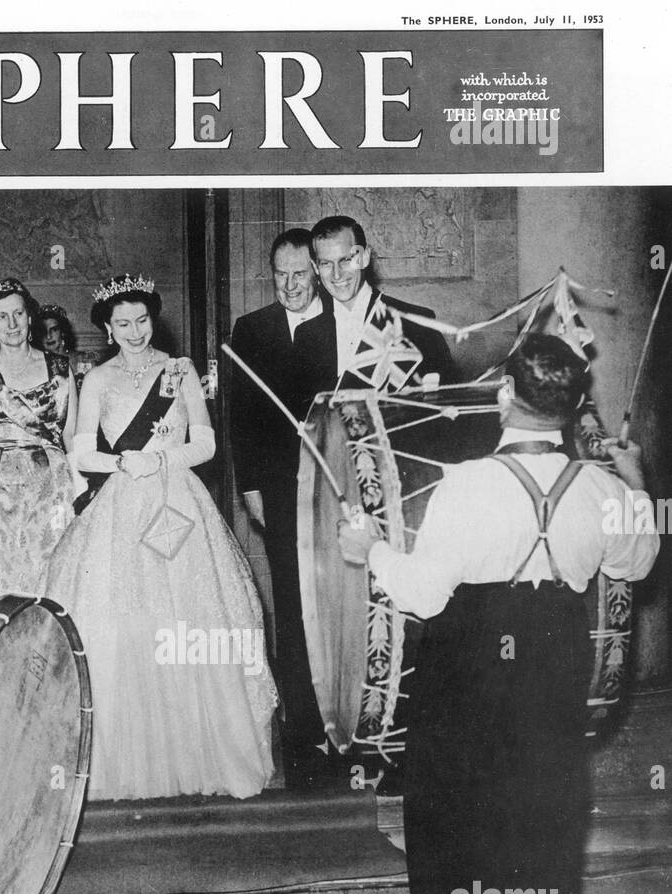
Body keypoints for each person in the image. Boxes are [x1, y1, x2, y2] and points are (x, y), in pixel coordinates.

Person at [338, 334, 659, 894]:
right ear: (575, 408)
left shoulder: (465, 485)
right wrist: (634, 480)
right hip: (553, 649)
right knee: (545, 813)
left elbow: (422, 595)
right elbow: (635, 563)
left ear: (504, 395)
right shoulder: (602, 489)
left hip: (468, 650)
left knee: (447, 817)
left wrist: (373, 551)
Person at [46, 273, 277, 801]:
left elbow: (207, 444)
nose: (134, 332)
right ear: (106, 327)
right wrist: (124, 463)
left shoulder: (179, 370)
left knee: (189, 618)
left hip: (180, 500)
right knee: (129, 620)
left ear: (154, 318)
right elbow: (80, 453)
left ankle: (203, 753)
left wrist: (161, 459)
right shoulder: (98, 379)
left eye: (142, 320)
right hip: (124, 500)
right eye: (122, 323)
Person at [229, 229, 333, 790]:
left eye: (300, 274)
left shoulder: (341, 325)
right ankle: (303, 727)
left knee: (336, 603)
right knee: (291, 606)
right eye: (280, 275)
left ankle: (341, 718)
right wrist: (250, 488)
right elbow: (242, 420)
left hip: (333, 491)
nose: (290, 286)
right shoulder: (252, 330)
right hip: (276, 491)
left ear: (316, 272)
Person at [0, 277, 78, 594]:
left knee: (52, 574)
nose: (12, 324)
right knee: (3, 578)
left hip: (52, 484)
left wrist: (79, 488)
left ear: (30, 316)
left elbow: (71, 438)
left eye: (18, 314)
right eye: (2, 316)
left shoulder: (61, 369)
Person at [294, 214, 456, 405]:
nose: (337, 274)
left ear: (364, 257)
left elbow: (445, 410)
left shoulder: (416, 324)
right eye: (326, 263)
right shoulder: (306, 335)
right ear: (316, 268)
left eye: (346, 260)